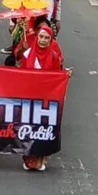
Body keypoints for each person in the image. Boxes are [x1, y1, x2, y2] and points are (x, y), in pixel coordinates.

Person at [20, 25, 67, 171]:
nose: (43, 40)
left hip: (47, 100)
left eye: (47, 38)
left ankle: (41, 157)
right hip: (30, 99)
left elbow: (57, 76)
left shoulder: (54, 56)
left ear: (50, 40)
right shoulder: (27, 54)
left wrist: (65, 75)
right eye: (41, 37)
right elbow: (21, 75)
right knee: (29, 128)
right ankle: (28, 157)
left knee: (44, 128)